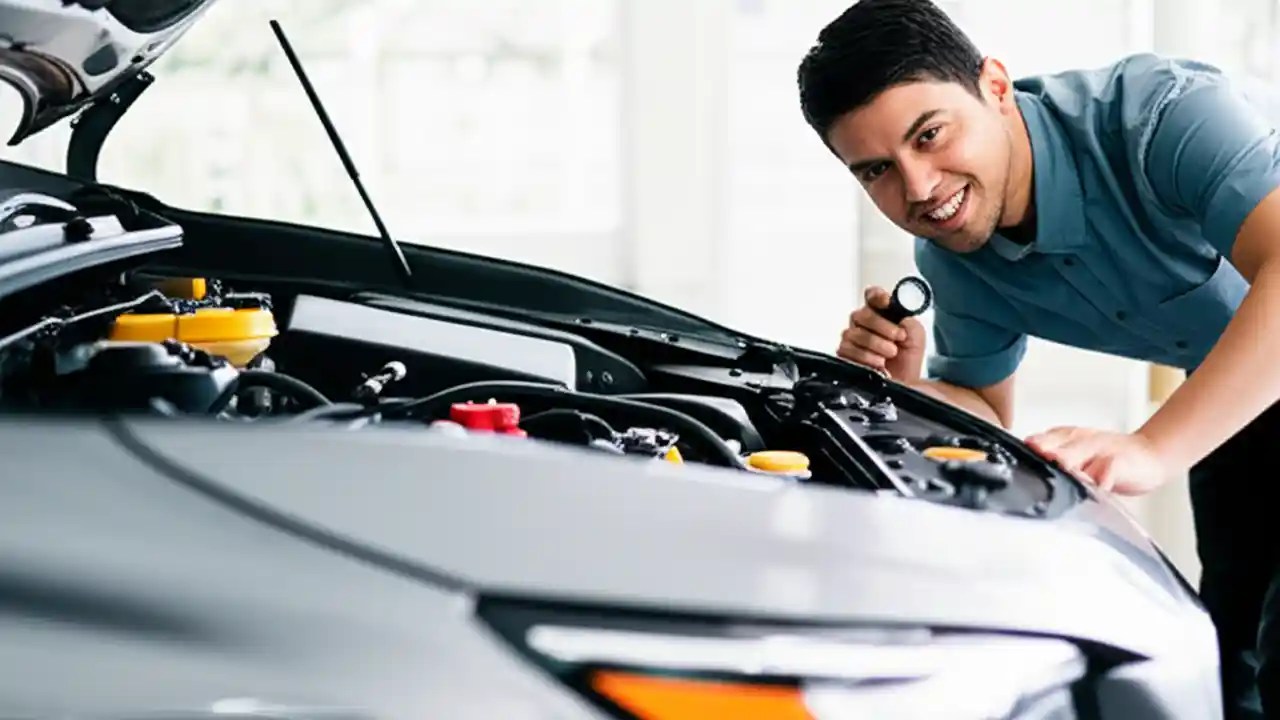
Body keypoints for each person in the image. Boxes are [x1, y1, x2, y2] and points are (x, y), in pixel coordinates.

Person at [796, 0, 1280, 716]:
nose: (920, 188)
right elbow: (985, 410)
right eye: (877, 171)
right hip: (1235, 393)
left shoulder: (1165, 116)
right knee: (1224, 656)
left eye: (930, 135)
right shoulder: (954, 254)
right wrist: (904, 391)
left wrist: (1150, 447)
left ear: (994, 84)